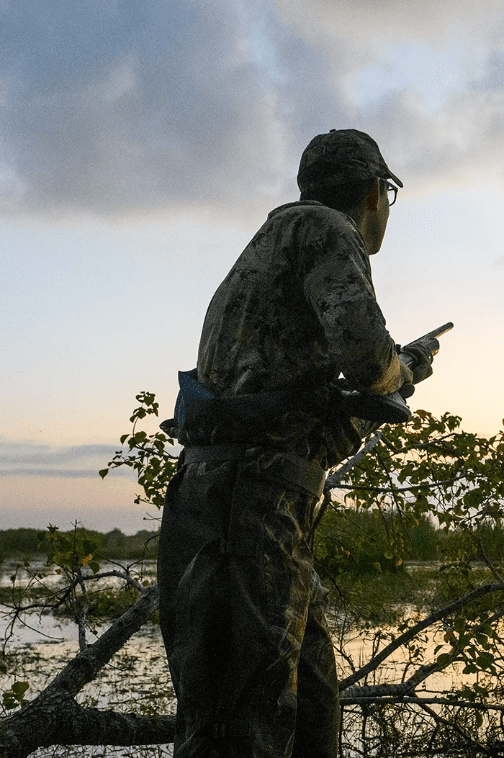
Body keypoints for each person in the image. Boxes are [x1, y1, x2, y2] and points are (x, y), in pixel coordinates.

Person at [157, 129, 437, 758]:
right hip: (243, 507)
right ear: (373, 192)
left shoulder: (265, 252)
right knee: (241, 727)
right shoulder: (325, 231)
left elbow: (304, 428)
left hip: (236, 496)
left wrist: (386, 389)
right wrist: (402, 370)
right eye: (388, 195)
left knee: (309, 702)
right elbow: (367, 359)